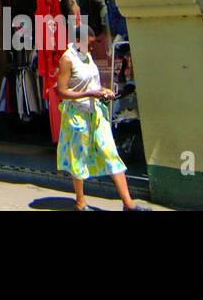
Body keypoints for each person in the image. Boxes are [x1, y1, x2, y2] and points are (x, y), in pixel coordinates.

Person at [56, 14, 148, 211]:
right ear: (77, 41)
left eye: (93, 43)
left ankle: (128, 204)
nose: (92, 48)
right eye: (89, 44)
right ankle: (81, 202)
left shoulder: (87, 56)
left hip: (95, 113)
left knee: (110, 153)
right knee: (79, 157)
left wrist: (103, 91)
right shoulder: (67, 59)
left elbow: (92, 82)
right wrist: (89, 93)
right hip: (77, 115)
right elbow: (61, 91)